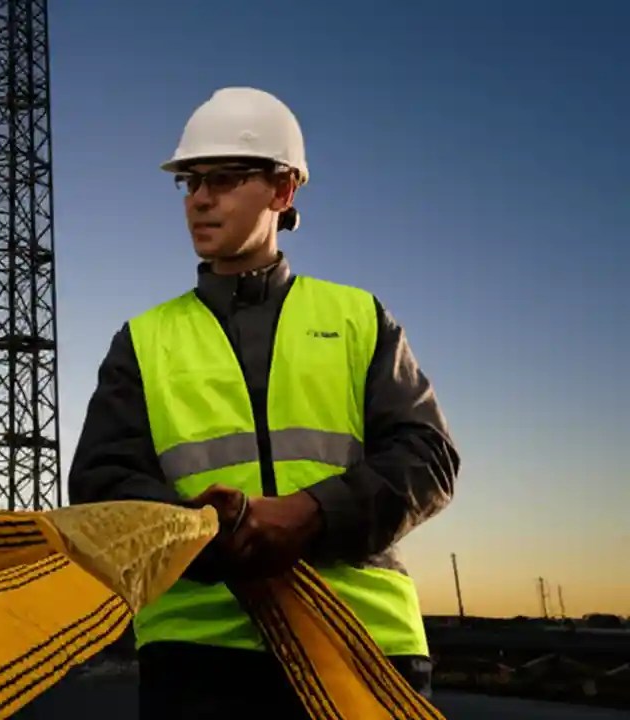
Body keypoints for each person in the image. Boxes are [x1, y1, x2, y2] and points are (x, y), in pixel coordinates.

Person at [66, 87, 460, 718]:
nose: (199, 198)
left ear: (283, 192)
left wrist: (310, 513)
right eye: (191, 181)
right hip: (200, 652)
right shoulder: (144, 339)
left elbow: (426, 458)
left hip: (363, 642)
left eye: (223, 178)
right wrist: (201, 532)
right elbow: (100, 483)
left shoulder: (358, 317)